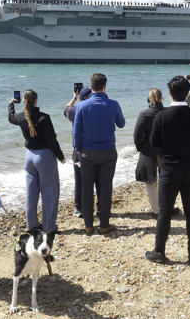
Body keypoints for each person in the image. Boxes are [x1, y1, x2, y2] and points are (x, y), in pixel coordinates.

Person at [145, 76, 190, 266]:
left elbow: (154, 143)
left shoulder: (161, 116)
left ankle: (159, 251)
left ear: (169, 93)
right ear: (187, 93)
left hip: (169, 169)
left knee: (164, 212)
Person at [73, 73, 125, 234]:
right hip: (108, 151)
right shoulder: (113, 104)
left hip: (88, 152)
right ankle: (104, 224)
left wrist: (78, 151)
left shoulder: (82, 106)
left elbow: (76, 133)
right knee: (105, 188)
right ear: (104, 86)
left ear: (91, 86)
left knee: (87, 189)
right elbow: (121, 124)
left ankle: (88, 225)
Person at [8, 89, 65, 232]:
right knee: (49, 192)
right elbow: (52, 140)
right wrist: (60, 156)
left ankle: (32, 224)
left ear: (24, 101)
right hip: (44, 157)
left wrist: (11, 104)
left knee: (31, 192)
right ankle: (49, 227)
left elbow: (11, 117)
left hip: (29, 157)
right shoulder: (44, 118)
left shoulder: (21, 117)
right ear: (36, 101)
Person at [133, 88, 165, 215]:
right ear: (161, 98)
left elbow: (137, 135)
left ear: (149, 99)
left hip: (149, 149)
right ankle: (165, 206)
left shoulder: (144, 114)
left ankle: (156, 210)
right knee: (165, 180)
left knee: (151, 181)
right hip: (164, 150)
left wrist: (140, 147)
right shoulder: (166, 112)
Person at [64, 87, 93, 218]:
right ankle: (94, 207)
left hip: (78, 151)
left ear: (80, 98)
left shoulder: (74, 110)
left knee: (79, 181)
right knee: (93, 180)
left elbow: (66, 109)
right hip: (93, 150)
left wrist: (74, 97)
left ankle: (79, 208)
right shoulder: (93, 109)